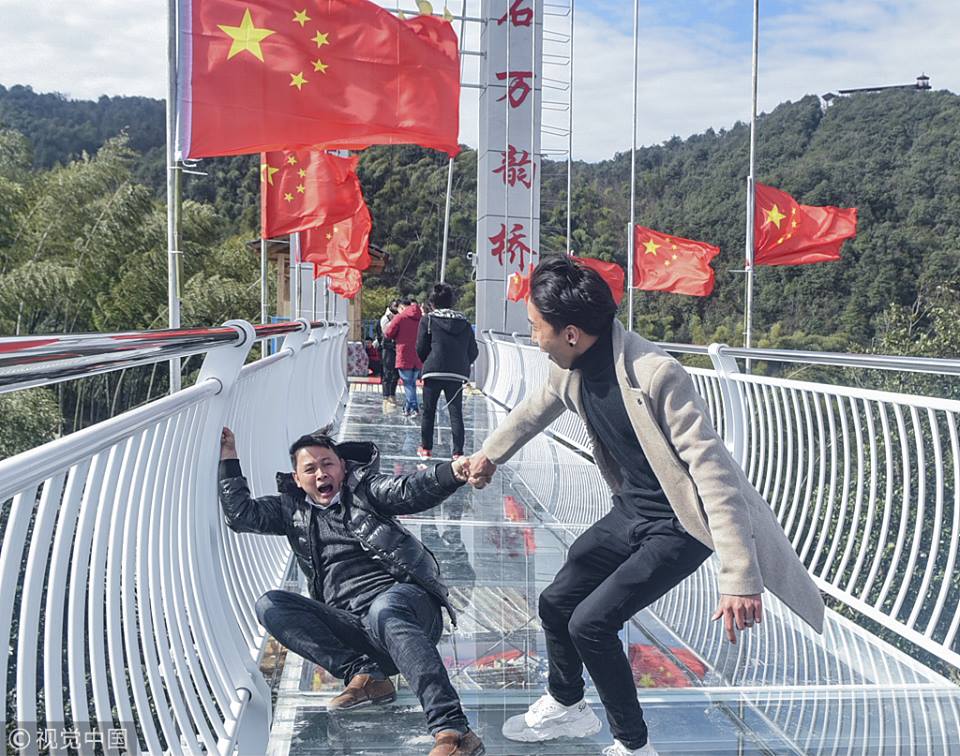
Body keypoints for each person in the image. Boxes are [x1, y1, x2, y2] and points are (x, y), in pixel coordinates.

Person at [463, 256, 825, 756]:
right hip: (632, 513)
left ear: (570, 332)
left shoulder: (654, 373)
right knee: (555, 603)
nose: (531, 339)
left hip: (680, 525)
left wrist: (740, 576)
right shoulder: (569, 368)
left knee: (591, 623)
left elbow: (714, 474)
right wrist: (488, 456)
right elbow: (530, 412)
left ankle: (633, 746)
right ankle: (568, 706)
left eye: (534, 328)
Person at [218, 427, 485, 756]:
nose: (321, 474)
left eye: (327, 464)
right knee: (270, 605)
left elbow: (408, 489)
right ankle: (365, 675)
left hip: (408, 608)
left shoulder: (365, 491)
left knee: (384, 609)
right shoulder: (291, 511)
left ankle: (454, 731)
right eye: (310, 469)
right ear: (296, 479)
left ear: (342, 468)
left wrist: (452, 472)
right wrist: (228, 455)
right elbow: (241, 515)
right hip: (356, 630)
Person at [415, 282, 479, 460]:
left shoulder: (428, 320)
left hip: (433, 371)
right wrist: (462, 364)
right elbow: (473, 350)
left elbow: (420, 347)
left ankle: (426, 449)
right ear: (451, 301)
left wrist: (427, 362)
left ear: (432, 302)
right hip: (456, 374)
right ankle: (458, 452)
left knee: (429, 411)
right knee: (455, 412)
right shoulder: (464, 323)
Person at [385, 296, 423, 417]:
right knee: (411, 383)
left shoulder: (400, 318)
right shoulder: (421, 318)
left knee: (407, 383)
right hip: (418, 355)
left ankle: (414, 407)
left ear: (402, 307)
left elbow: (388, 333)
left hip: (404, 354)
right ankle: (407, 408)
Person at [378, 301, 401, 407]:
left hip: (397, 348)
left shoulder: (399, 317)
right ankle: (386, 396)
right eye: (395, 306)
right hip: (388, 348)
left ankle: (392, 394)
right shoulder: (385, 318)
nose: (397, 308)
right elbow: (386, 332)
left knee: (396, 373)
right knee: (387, 373)